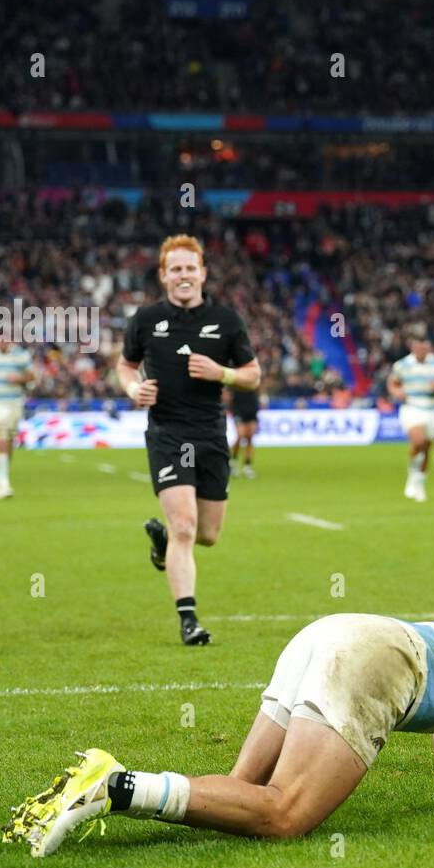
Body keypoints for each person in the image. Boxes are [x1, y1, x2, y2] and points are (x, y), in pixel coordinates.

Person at [3, 602, 434, 857]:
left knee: (244, 792)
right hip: (375, 660)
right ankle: (116, 783)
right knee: (283, 816)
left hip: (330, 634)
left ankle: (85, 792)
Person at [117, 235, 262, 645]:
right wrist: (133, 390)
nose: (183, 275)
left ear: (203, 273)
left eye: (190, 268)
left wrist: (223, 374)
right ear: (164, 276)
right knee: (184, 525)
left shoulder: (228, 320)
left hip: (212, 433)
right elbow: (125, 366)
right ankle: (189, 620)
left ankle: (163, 544)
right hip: (167, 432)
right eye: (175, 269)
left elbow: (253, 374)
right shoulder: (144, 320)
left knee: (207, 534)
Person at [387, 332, 434, 502]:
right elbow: (392, 383)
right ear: (413, 347)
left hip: (431, 408)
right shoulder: (402, 365)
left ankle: (419, 483)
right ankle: (412, 477)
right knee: (418, 441)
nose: (421, 349)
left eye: (424, 346)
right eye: (418, 346)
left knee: (426, 448)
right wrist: (397, 392)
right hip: (411, 407)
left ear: (428, 347)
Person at [0, 335, 34, 499]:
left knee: (8, 441)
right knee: (1, 440)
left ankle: (2, 477)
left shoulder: (21, 355)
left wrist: (20, 378)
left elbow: (31, 376)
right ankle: (2, 483)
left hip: (14, 402)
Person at [228, 384, 260, 479]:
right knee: (240, 435)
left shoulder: (252, 378)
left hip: (251, 410)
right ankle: (233, 461)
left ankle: (247, 466)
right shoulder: (235, 380)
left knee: (250, 438)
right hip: (238, 410)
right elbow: (229, 396)